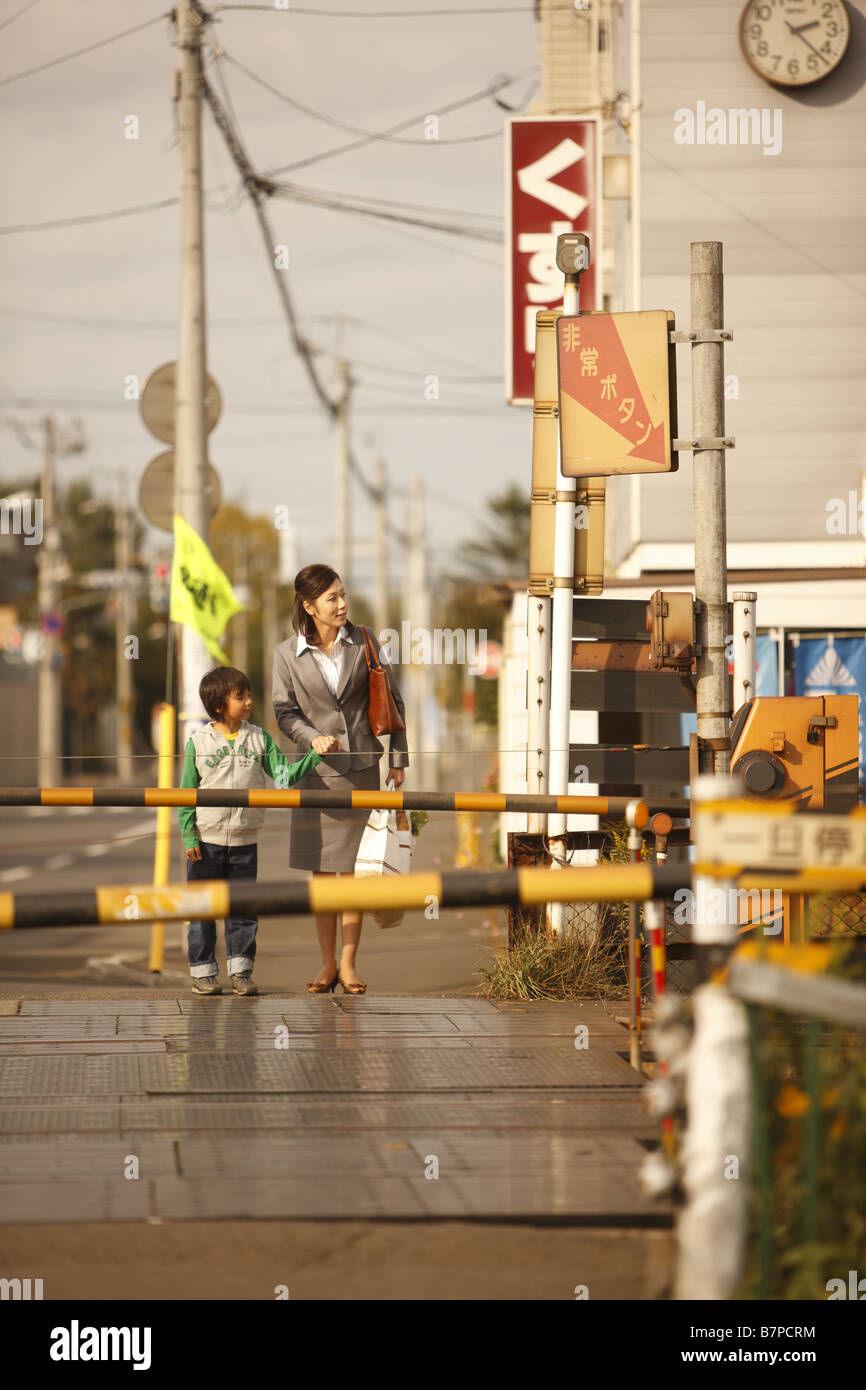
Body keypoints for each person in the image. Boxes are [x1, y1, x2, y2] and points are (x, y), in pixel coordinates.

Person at [271, 564, 408, 995]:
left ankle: (348, 964)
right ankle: (326, 963)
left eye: (343, 595)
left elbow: (393, 700)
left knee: (353, 871)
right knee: (322, 875)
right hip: (316, 777)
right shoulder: (285, 655)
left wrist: (398, 759)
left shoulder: (365, 642)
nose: (342, 604)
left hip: (362, 769)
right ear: (309, 606)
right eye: (332, 599)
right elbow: (284, 712)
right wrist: (312, 738)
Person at [178, 666, 321, 996]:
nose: (248, 701)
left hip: (245, 842)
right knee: (202, 910)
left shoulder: (259, 738)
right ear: (218, 706)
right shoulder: (198, 743)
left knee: (243, 909)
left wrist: (314, 756)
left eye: (248, 695)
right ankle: (203, 973)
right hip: (205, 843)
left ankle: (241, 972)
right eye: (239, 696)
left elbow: (283, 778)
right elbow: (185, 794)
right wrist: (189, 836)